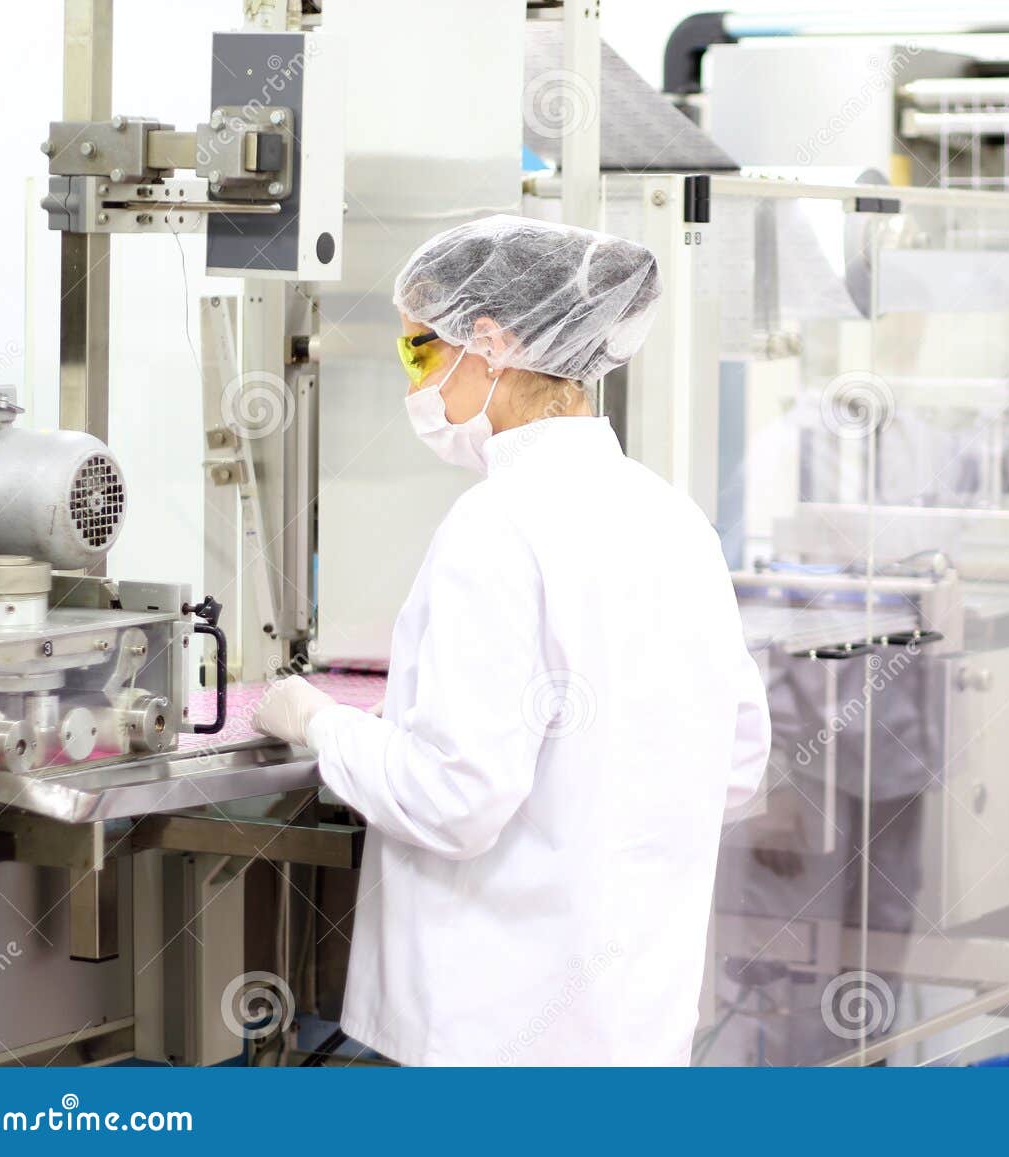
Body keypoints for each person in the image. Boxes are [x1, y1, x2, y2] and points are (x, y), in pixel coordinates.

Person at [251, 215, 772, 1065]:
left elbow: (453, 798)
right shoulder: (670, 513)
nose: (415, 384)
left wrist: (317, 722)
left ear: (488, 342)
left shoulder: (496, 526)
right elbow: (739, 760)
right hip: (634, 1022)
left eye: (419, 353)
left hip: (495, 1030)